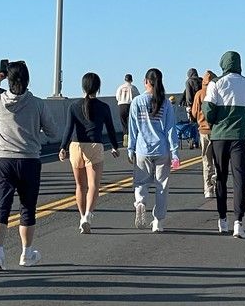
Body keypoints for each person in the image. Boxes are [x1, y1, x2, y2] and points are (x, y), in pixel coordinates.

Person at [0, 61, 59, 270]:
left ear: (8, 79)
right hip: (30, 161)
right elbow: (53, 132)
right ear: (28, 80)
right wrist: (34, 129)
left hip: (3, 160)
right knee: (27, 209)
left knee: (1, 209)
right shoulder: (38, 104)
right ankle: (26, 253)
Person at [203, 50, 245, 239]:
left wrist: (216, 122)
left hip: (220, 136)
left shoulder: (216, 83)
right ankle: (239, 222)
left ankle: (222, 220)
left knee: (221, 177)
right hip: (239, 137)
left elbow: (208, 110)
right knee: (240, 178)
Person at [59, 72, 120, 233]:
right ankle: (88, 215)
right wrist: (114, 146)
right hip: (95, 146)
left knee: (80, 185)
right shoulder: (104, 107)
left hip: (76, 147)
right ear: (98, 88)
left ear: (83, 87)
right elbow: (111, 129)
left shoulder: (73, 106)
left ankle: (81, 217)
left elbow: (68, 129)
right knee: (94, 185)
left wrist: (63, 147)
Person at [127, 68, 180, 233]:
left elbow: (133, 128)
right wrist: (175, 152)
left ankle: (141, 202)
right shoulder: (165, 103)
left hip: (143, 150)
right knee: (161, 186)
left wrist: (131, 148)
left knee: (141, 182)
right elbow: (171, 128)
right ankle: (158, 221)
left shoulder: (137, 101)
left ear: (146, 82)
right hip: (162, 149)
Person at [189, 70, 218, 199]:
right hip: (218, 131)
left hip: (204, 131)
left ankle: (208, 189)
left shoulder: (199, 94)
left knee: (206, 161)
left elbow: (194, 113)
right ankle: (218, 185)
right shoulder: (219, 93)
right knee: (219, 161)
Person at [115, 74, 139, 149]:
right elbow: (137, 96)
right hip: (131, 105)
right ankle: (133, 139)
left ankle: (125, 139)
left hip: (122, 105)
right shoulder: (133, 87)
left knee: (124, 123)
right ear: (131, 80)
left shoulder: (120, 87)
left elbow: (117, 97)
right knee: (132, 122)